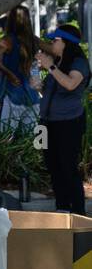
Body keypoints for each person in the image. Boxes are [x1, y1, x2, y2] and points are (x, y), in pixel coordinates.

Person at [36, 27, 89, 215]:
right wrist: (39, 87)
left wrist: (50, 66)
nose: (51, 45)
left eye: (54, 41)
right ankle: (62, 207)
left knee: (68, 167)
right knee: (52, 166)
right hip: (46, 123)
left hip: (69, 123)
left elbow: (70, 84)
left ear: (66, 42)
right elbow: (51, 93)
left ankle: (78, 212)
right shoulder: (59, 63)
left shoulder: (79, 63)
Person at [0, 6, 40, 131]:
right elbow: (35, 68)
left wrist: (9, 74)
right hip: (32, 96)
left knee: (6, 136)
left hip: (13, 94)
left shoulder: (7, 40)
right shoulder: (34, 41)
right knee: (31, 139)